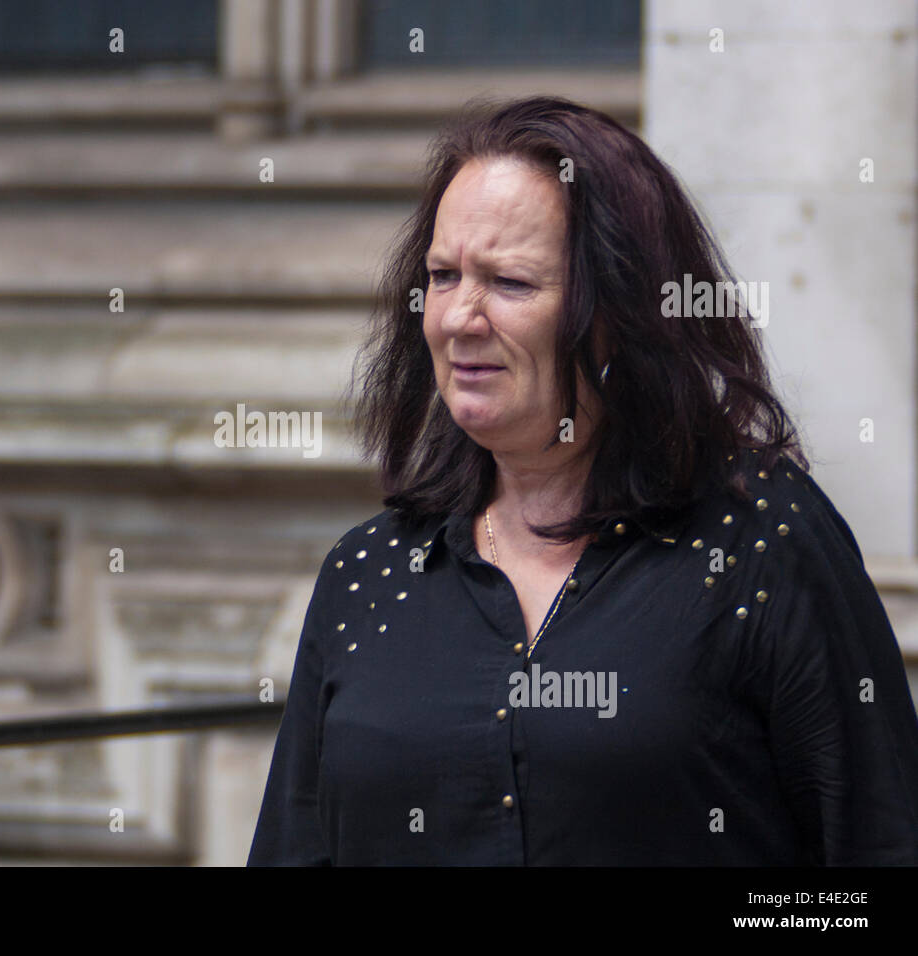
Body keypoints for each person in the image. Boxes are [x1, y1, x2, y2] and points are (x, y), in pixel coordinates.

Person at [246, 95, 918, 866]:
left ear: (620, 314)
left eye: (510, 283)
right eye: (442, 275)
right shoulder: (369, 575)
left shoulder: (761, 545)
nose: (461, 316)